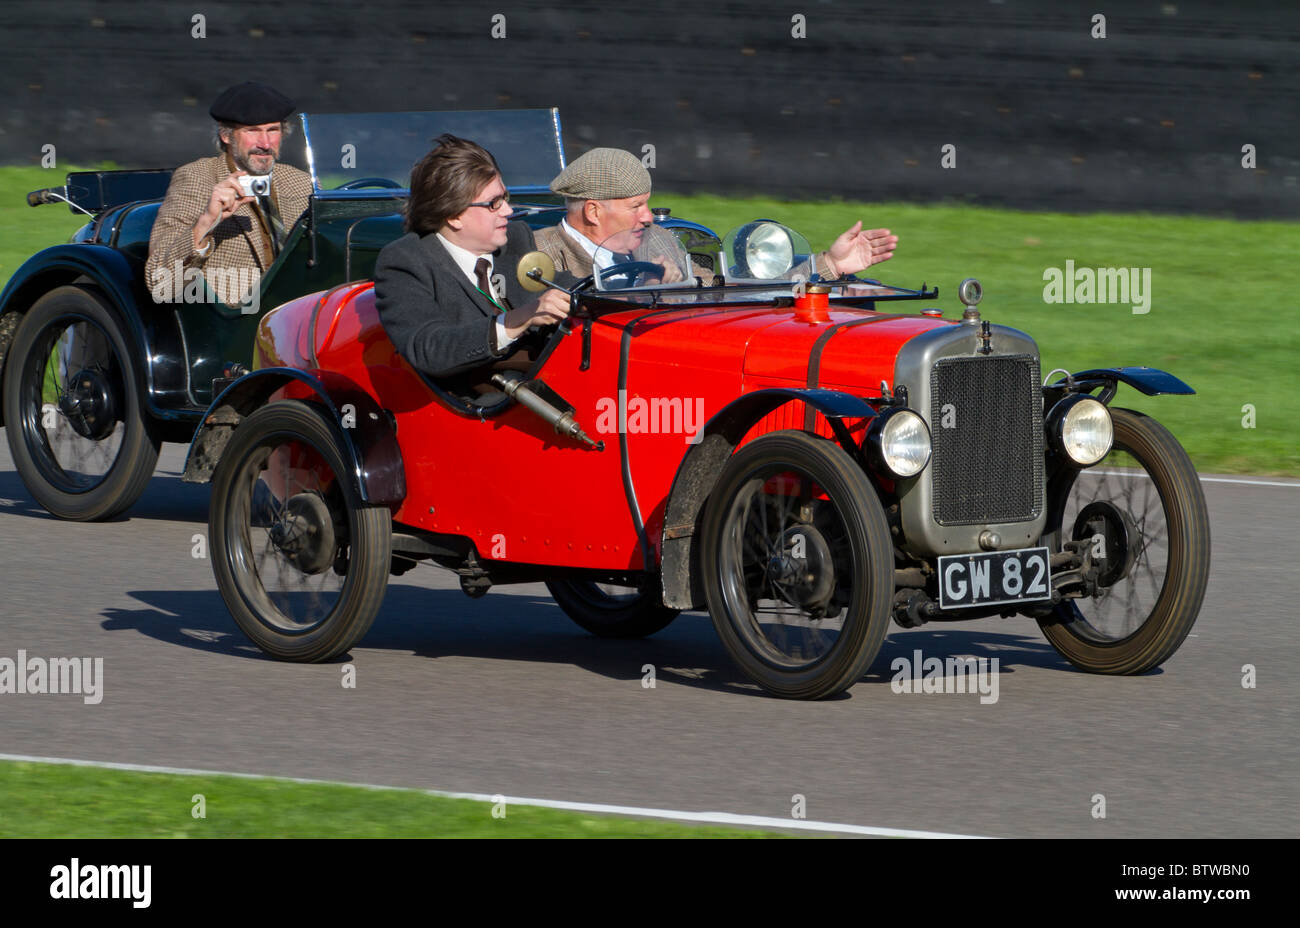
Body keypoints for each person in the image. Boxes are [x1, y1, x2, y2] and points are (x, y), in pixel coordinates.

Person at [373, 134, 569, 401]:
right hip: (477, 407)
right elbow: (428, 349)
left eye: (505, 197)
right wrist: (519, 318)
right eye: (493, 203)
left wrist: (629, 286)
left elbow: (563, 285)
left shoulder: (515, 240)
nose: (508, 211)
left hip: (550, 387)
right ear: (453, 215)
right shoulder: (406, 261)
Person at [535, 147, 900, 283]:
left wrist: (830, 265)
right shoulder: (542, 255)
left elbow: (729, 292)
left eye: (648, 204)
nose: (648, 218)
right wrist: (647, 294)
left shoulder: (657, 241)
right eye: (636, 207)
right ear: (594, 211)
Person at [145, 82, 312, 310]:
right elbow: (159, 282)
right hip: (236, 321)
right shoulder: (197, 178)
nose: (265, 144)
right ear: (226, 136)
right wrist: (206, 222)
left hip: (303, 314)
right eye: (252, 131)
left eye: (272, 130)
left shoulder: (302, 182)